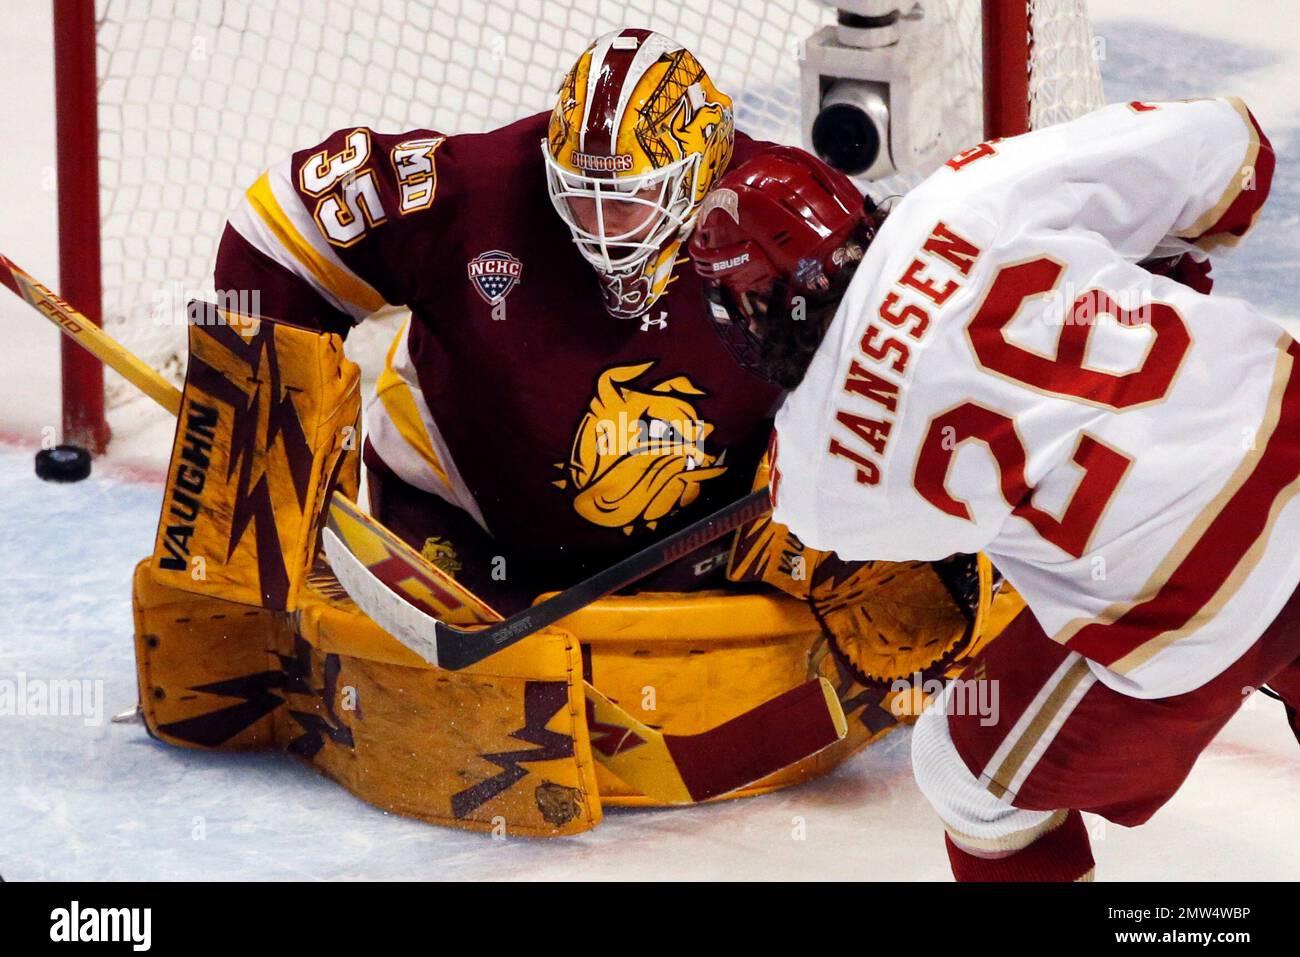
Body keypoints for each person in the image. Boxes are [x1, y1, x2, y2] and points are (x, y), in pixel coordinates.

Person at [689, 102, 1300, 880]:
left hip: (1183, 596)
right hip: (1291, 425)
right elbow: (1237, 152)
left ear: (752, 306)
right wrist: (1162, 256)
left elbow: (881, 516)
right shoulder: (963, 192)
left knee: (965, 778)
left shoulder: (815, 468)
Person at [212, 27, 780, 611]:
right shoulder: (485, 186)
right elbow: (273, 232)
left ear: (701, 177)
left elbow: (873, 342)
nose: (601, 228)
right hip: (463, 526)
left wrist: (836, 507)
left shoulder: (785, 211)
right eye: (583, 193)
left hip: (708, 554)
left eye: (628, 197)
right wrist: (275, 427)